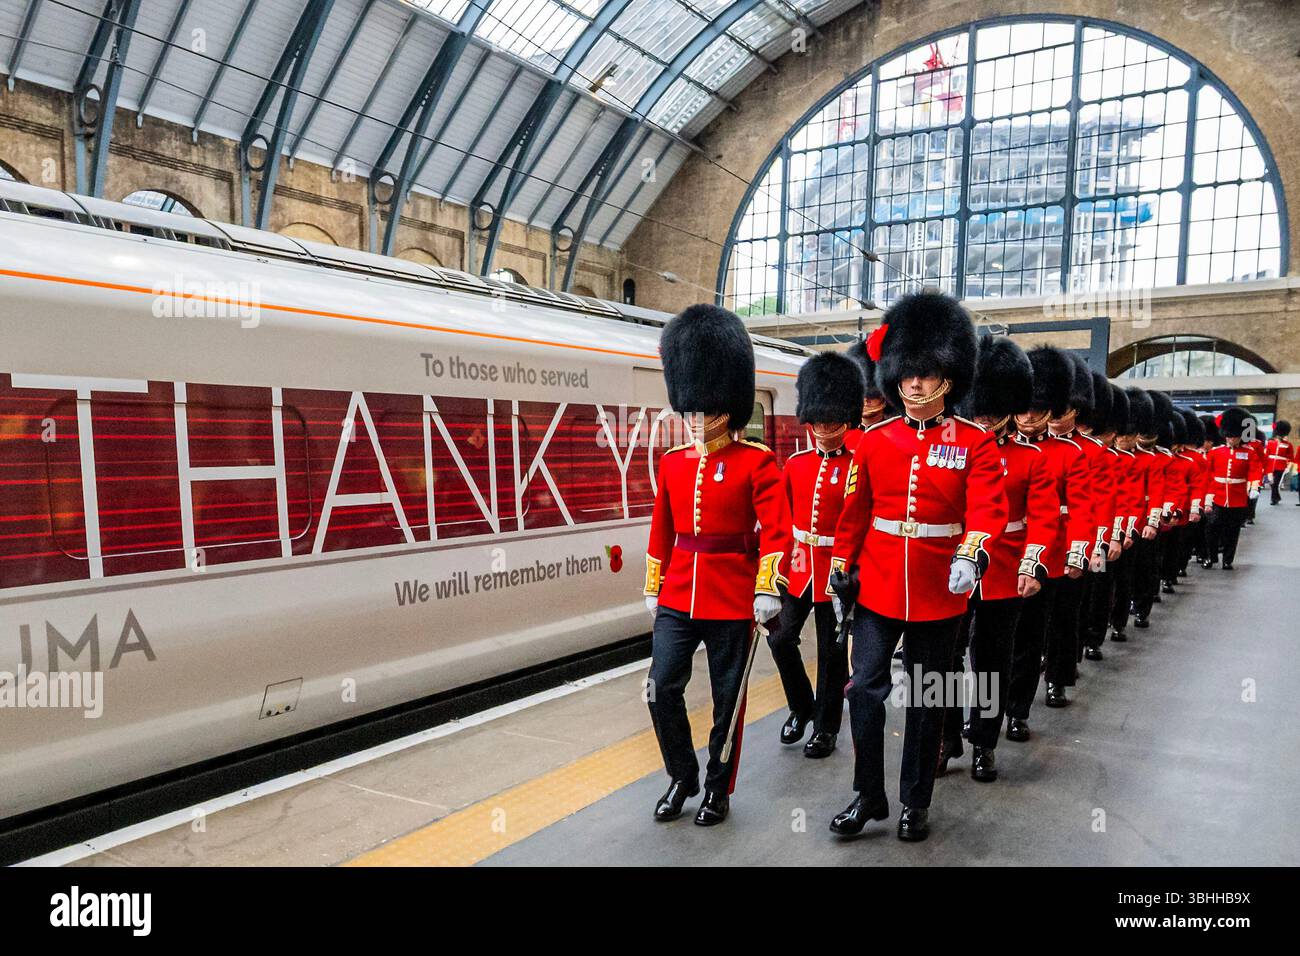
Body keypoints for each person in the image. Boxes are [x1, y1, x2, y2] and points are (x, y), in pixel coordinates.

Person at [824, 291, 1007, 842]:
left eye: (925, 375)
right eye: (906, 374)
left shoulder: (974, 442)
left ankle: (915, 801)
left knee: (930, 697)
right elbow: (854, 515)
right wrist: (839, 568)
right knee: (864, 691)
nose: (913, 385)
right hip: (879, 585)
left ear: (948, 378)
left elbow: (987, 509)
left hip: (939, 590)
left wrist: (971, 555)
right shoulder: (875, 441)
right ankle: (867, 794)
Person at [643, 304, 792, 826]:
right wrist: (653, 586)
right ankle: (681, 775)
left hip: (733, 597)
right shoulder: (672, 464)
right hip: (679, 597)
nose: (696, 419)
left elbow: (777, 530)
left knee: (728, 701)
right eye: (691, 410)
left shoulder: (758, 462)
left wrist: (768, 585)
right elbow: (662, 530)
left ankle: (716, 788)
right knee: (661, 688)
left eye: (705, 410)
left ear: (726, 407)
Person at [938, 336, 1057, 783]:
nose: (984, 418)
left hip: (1004, 570)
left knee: (989, 660)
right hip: (952, 569)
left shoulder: (1031, 459)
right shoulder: (954, 448)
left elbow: (1042, 519)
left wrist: (1032, 564)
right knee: (946, 657)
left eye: (992, 411)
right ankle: (946, 735)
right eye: (979, 410)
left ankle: (984, 742)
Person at [768, 351, 863, 758]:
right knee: (781, 638)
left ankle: (826, 727)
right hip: (801, 567)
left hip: (836, 570)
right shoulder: (796, 464)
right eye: (818, 422)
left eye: (832, 422)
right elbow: (782, 520)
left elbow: (858, 522)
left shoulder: (857, 465)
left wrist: (851, 572)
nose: (824, 430)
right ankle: (800, 707)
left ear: (845, 420)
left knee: (831, 653)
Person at [1005, 346, 1089, 735]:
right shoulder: (994, 448)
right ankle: (989, 708)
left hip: (1047, 557)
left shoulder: (1069, 454)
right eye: (1023, 409)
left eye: (1036, 410)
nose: (1027, 418)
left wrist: (1077, 552)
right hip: (1000, 558)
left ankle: (1018, 709)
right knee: (992, 645)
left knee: (1031, 638)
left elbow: (1080, 508)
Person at [1070, 365, 1117, 666]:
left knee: (1087, 598)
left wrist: (1099, 542)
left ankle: (1088, 640)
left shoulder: (1097, 453)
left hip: (1084, 538)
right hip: (1043, 542)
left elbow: (1103, 501)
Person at [1079, 382, 1129, 659]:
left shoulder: (1107, 458)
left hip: (1097, 536)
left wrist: (1110, 537)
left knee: (1097, 591)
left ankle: (1094, 636)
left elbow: (1113, 501)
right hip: (1067, 536)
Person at [1106, 389, 1142, 644]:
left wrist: (1124, 532)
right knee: (1099, 588)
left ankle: (1118, 622)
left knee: (1122, 580)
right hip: (1096, 535)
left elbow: (1130, 500)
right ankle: (1093, 633)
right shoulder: (1100, 457)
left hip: (1121, 531)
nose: (1123, 440)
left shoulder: (1131, 462)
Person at [1204, 407, 1256, 570]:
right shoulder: (1216, 452)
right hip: (1217, 495)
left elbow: (1254, 471)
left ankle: (1228, 559)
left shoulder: (1249, 452)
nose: (1232, 439)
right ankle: (1210, 556)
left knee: (1232, 531)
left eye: (1235, 436)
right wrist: (1208, 495)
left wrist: (1254, 486)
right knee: (1212, 527)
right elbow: (1208, 475)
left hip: (1238, 496)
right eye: (1230, 436)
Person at [1265, 421, 1294, 506]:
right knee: (1271, 483)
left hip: (1281, 467)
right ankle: (1277, 497)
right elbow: (1266, 454)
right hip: (1270, 466)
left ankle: (1273, 499)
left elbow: (1290, 457)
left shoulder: (1288, 445)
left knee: (1275, 483)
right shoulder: (1270, 442)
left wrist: (1288, 467)